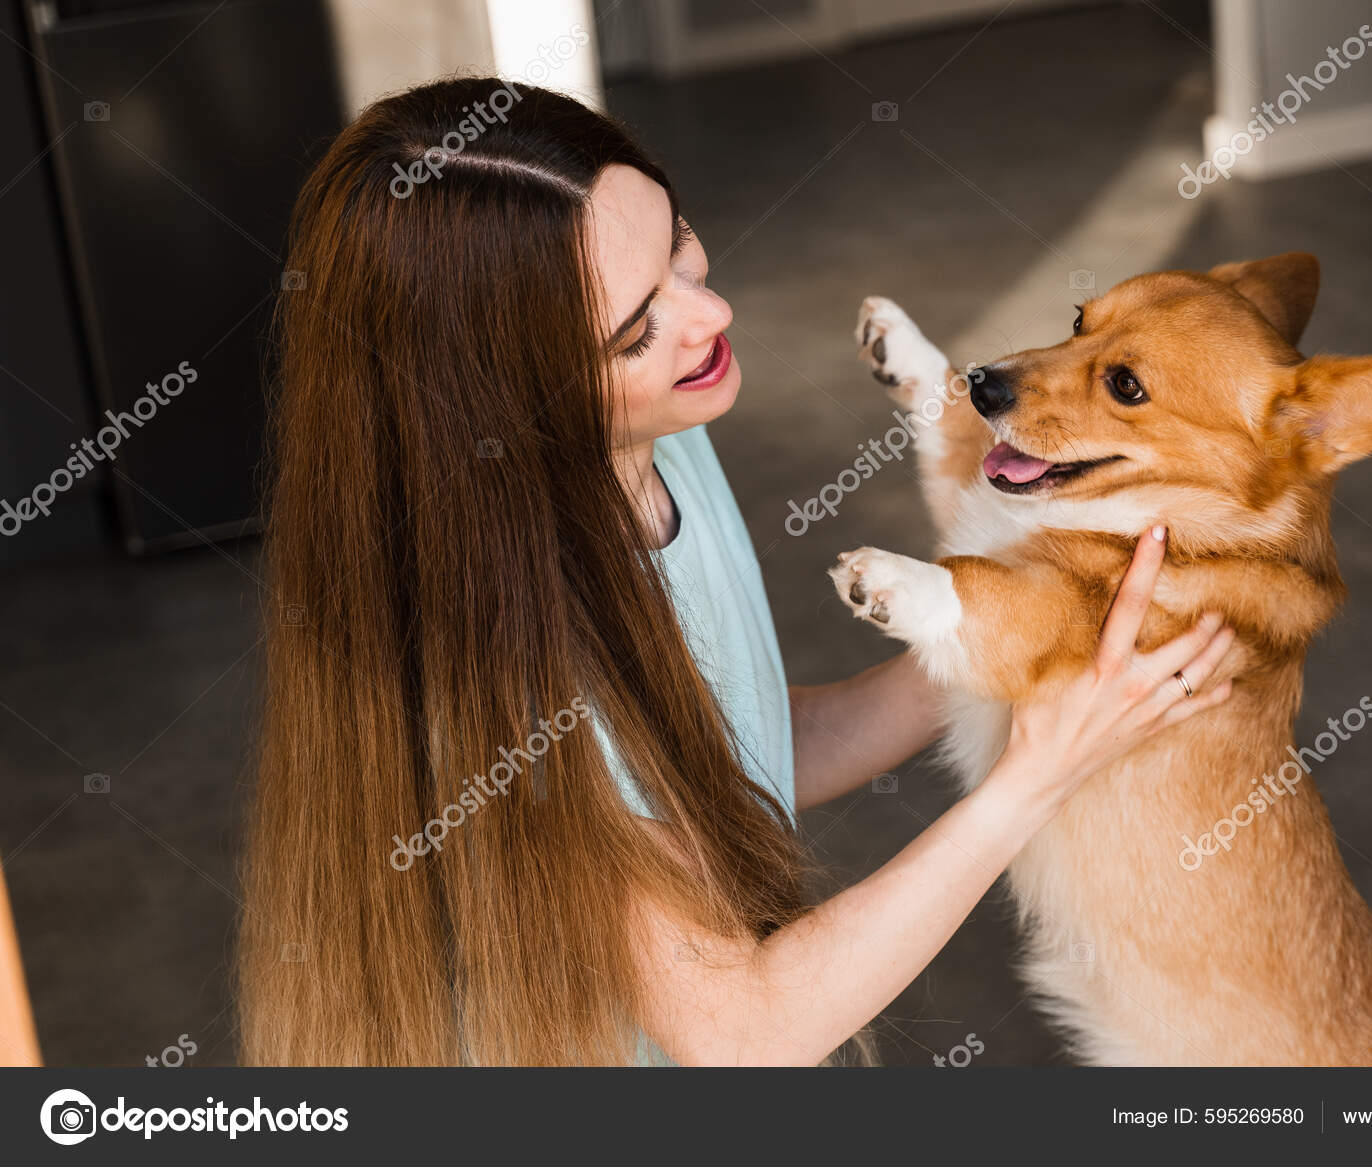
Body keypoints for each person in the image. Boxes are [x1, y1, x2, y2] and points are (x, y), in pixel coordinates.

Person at [237, 79, 1234, 1067]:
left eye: (677, 244)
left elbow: (732, 747)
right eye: (636, 331)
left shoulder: (656, 436)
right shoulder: (507, 677)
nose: (709, 311)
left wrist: (1023, 640)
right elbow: (745, 1030)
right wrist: (1038, 774)